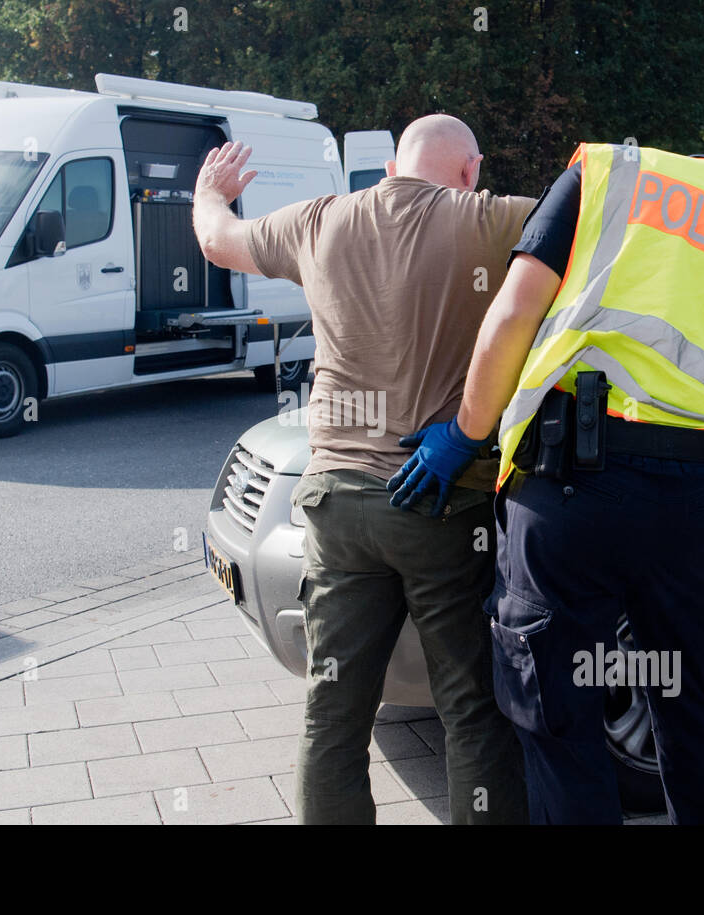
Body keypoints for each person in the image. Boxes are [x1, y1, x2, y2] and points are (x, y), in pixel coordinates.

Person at [389, 136, 704, 824]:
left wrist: (465, 434)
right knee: (694, 711)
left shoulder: (613, 172)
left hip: (567, 490)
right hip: (689, 503)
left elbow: (512, 315)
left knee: (559, 717)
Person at [192, 115, 533, 824]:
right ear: (468, 170)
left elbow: (216, 240)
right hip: (441, 503)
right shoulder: (489, 219)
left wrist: (209, 191)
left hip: (335, 503)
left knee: (333, 707)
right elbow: (594, 229)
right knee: (470, 706)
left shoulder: (319, 222)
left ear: (388, 168)